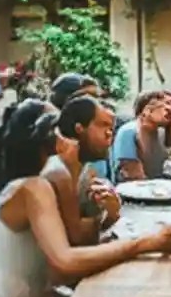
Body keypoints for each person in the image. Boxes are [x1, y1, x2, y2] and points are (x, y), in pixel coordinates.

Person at [0, 99, 171, 297]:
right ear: (48, 140)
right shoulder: (37, 187)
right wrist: (145, 243)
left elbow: (74, 239)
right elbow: (65, 263)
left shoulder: (34, 183)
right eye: (62, 130)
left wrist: (109, 217)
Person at [42, 95, 121, 247]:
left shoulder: (85, 170)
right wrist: (109, 215)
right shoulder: (56, 172)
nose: (110, 134)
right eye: (103, 126)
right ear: (79, 128)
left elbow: (88, 237)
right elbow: (74, 240)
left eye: (111, 129)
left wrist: (109, 211)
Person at [112, 90, 171, 182]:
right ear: (147, 110)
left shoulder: (161, 132)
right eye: (165, 108)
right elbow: (133, 174)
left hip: (156, 188)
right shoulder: (129, 132)